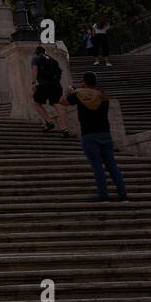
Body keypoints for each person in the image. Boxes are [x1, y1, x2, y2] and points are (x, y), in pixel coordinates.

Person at [60, 72, 127, 202]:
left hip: (89, 135)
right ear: (95, 82)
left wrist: (69, 92)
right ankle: (123, 195)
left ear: (84, 82)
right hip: (105, 133)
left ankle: (103, 195)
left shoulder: (78, 94)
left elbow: (63, 102)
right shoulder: (102, 96)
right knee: (112, 166)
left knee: (97, 166)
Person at [31, 45, 70, 136]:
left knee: (36, 103)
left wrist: (33, 83)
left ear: (36, 52)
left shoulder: (36, 58)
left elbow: (35, 70)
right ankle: (64, 129)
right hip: (56, 85)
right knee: (58, 104)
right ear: (45, 52)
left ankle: (49, 122)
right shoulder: (53, 60)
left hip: (43, 84)